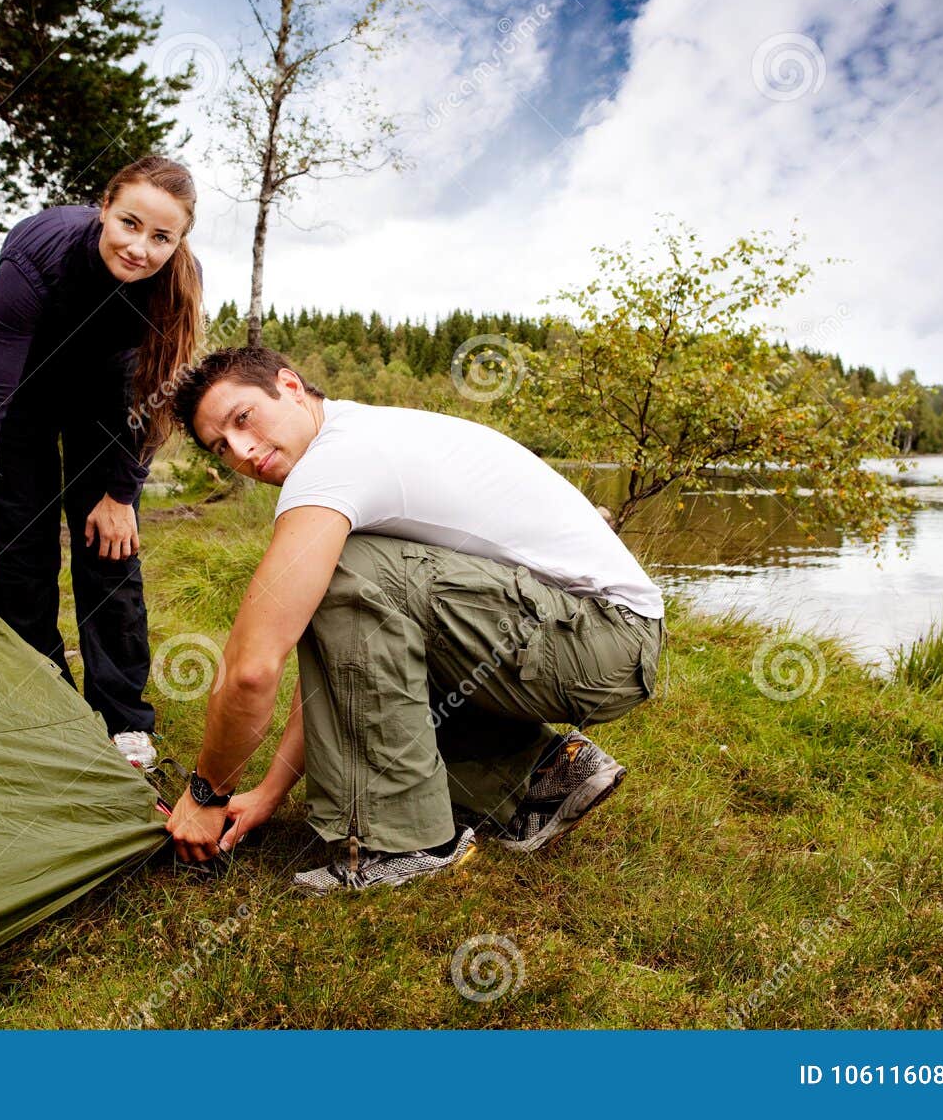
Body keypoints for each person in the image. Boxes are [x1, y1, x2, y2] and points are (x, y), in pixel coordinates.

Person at [162, 346, 665, 892]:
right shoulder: (359, 437)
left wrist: (205, 794)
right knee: (355, 586)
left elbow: (252, 666)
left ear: (289, 385)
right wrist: (268, 792)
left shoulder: (336, 463)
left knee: (342, 572)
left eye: (242, 418)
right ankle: (541, 778)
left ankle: (402, 844)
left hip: (600, 640)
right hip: (598, 640)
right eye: (221, 446)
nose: (241, 450)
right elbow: (348, 665)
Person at [0, 156, 204, 771]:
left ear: (180, 241)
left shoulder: (176, 284)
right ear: (104, 208)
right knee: (17, 550)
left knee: (109, 546)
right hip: (24, 391)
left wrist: (121, 495)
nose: (140, 248)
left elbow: (159, 393)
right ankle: (46, 705)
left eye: (161, 237)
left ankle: (123, 720)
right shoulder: (36, 257)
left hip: (110, 399)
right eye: (129, 223)